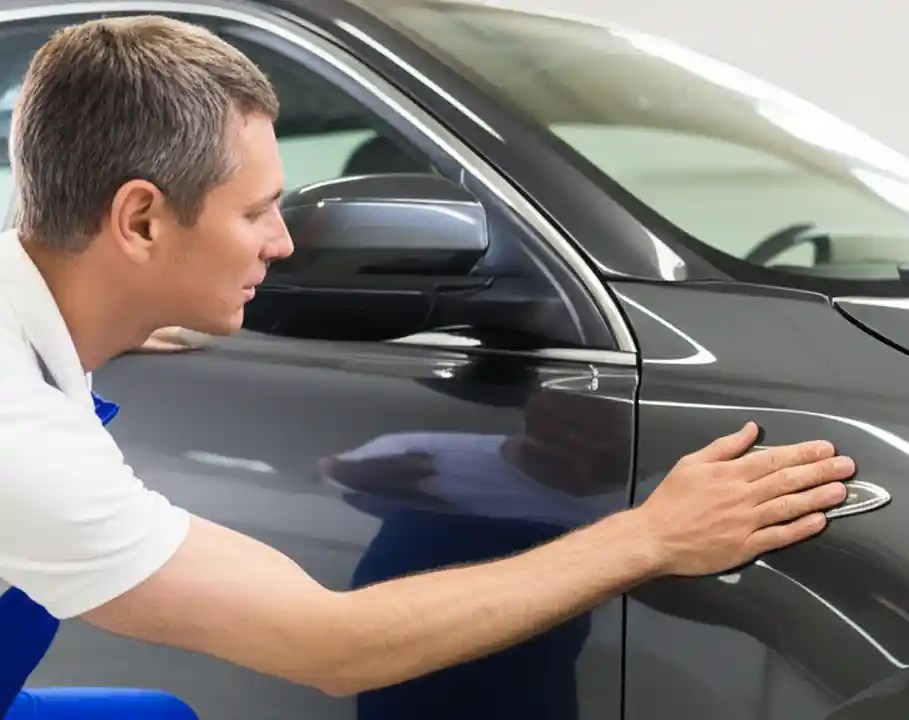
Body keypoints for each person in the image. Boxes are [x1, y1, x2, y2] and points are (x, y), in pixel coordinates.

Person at [0, 15, 856, 719]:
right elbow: (332, 647)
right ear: (141, 223)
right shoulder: (19, 431)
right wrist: (653, 535)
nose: (284, 241)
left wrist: (118, 318)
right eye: (257, 210)